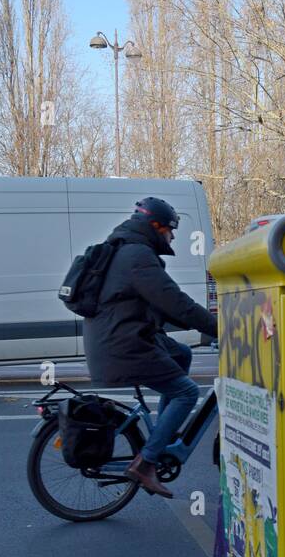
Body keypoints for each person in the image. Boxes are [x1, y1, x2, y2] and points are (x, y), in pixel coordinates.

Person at [83, 197, 218, 498]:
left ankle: (162, 434)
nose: (171, 237)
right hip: (122, 345)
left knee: (182, 354)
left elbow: (165, 305)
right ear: (155, 227)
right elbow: (176, 302)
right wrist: (220, 328)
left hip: (120, 338)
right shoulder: (136, 256)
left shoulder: (125, 250)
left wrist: (199, 325)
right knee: (186, 392)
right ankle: (146, 463)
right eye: (170, 231)